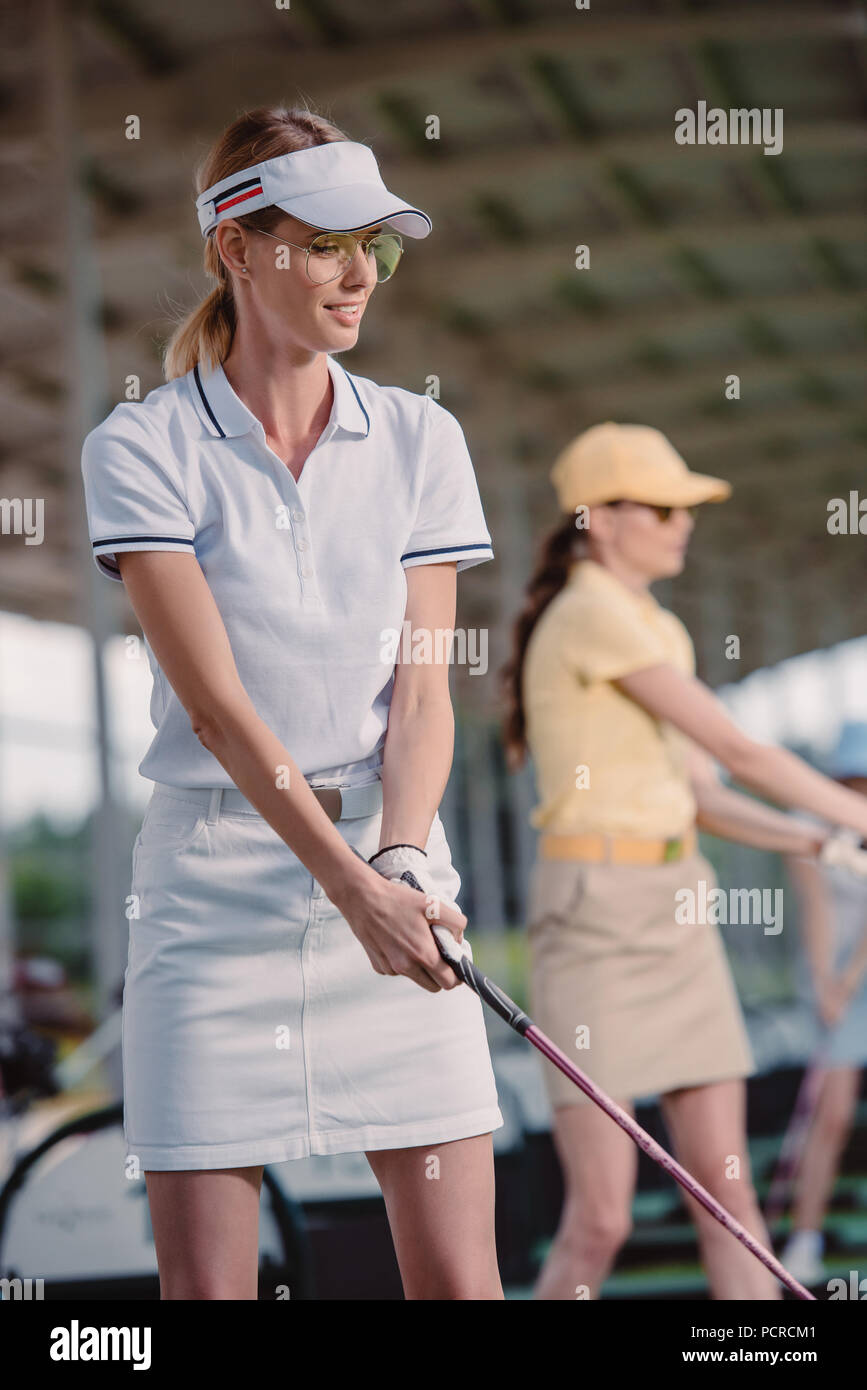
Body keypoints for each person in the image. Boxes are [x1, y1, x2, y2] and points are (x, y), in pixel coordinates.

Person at [80, 105, 503, 1301]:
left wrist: (404, 861)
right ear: (237, 247)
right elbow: (214, 707)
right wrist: (352, 885)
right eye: (323, 239)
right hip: (211, 897)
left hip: (391, 859)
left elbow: (422, 691)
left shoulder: (425, 437)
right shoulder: (142, 446)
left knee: (462, 1291)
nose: (359, 270)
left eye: (374, 241)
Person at [500, 421, 867, 1300]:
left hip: (676, 903)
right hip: (593, 916)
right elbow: (742, 754)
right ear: (599, 518)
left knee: (728, 1193)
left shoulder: (656, 625)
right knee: (600, 1218)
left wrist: (823, 839)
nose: (682, 523)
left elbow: (704, 795)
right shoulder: (587, 611)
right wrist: (853, 811)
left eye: (683, 507)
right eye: (661, 508)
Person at [781, 721, 867, 1286]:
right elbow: (814, 907)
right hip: (832, 982)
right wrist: (825, 981)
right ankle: (804, 1242)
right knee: (831, 1113)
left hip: (858, 973)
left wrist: (850, 975)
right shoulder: (806, 826)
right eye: (850, 777)